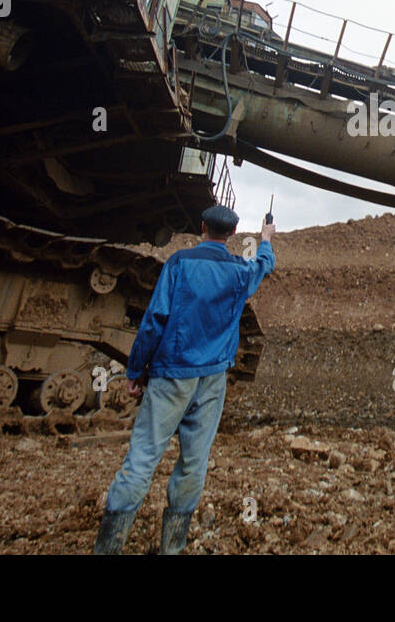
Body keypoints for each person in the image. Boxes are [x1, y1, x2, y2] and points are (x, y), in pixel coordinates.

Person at [93, 203, 275, 554]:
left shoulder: (179, 263)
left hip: (171, 375)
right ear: (233, 234)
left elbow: (154, 319)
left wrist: (135, 371)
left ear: (202, 228)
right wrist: (266, 238)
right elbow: (264, 266)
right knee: (193, 462)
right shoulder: (240, 270)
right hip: (212, 380)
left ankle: (108, 548)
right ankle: (172, 547)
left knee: (143, 457)